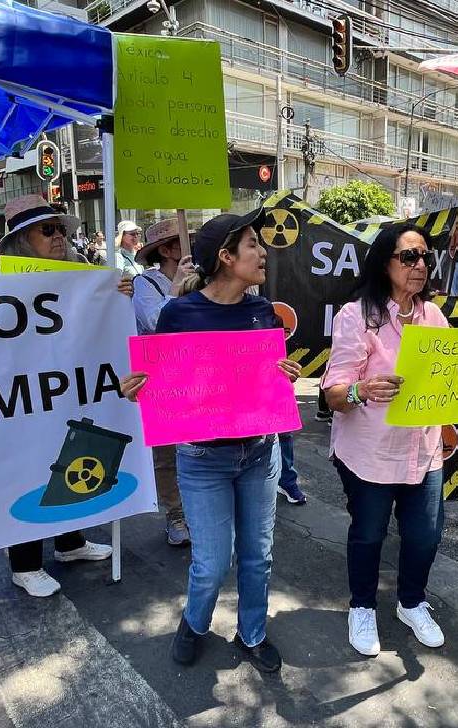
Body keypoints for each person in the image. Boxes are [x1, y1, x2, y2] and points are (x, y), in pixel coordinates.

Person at [322, 223, 458, 655]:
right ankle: (362, 607)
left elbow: (454, 375)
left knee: (425, 536)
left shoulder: (433, 316)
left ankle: (411, 602)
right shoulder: (356, 316)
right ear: (384, 263)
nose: (420, 265)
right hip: (370, 454)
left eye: (425, 257)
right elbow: (334, 393)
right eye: (408, 256)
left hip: (425, 452)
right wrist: (361, 390)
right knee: (369, 535)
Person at [121, 208, 301, 673]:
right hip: (203, 459)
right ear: (226, 257)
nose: (263, 252)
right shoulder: (179, 314)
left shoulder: (263, 312)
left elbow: (266, 381)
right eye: (253, 244)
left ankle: (252, 633)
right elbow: (161, 382)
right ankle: (194, 623)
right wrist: (138, 388)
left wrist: (285, 375)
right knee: (212, 562)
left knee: (258, 557)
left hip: (260, 453)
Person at [0, 195, 116, 597]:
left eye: (61, 228)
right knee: (28, 471)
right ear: (21, 241)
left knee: (69, 459)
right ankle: (24, 563)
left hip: (67, 390)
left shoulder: (80, 278)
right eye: (47, 230)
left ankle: (69, 542)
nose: (59, 236)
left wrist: (117, 293)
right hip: (23, 396)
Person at [132, 218, 195, 546]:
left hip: (197, 373)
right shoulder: (146, 283)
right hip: (160, 378)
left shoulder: (201, 278)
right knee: (167, 454)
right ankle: (175, 514)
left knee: (199, 446)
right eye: (183, 242)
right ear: (167, 251)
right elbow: (156, 323)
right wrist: (176, 289)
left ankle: (199, 510)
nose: (191, 247)